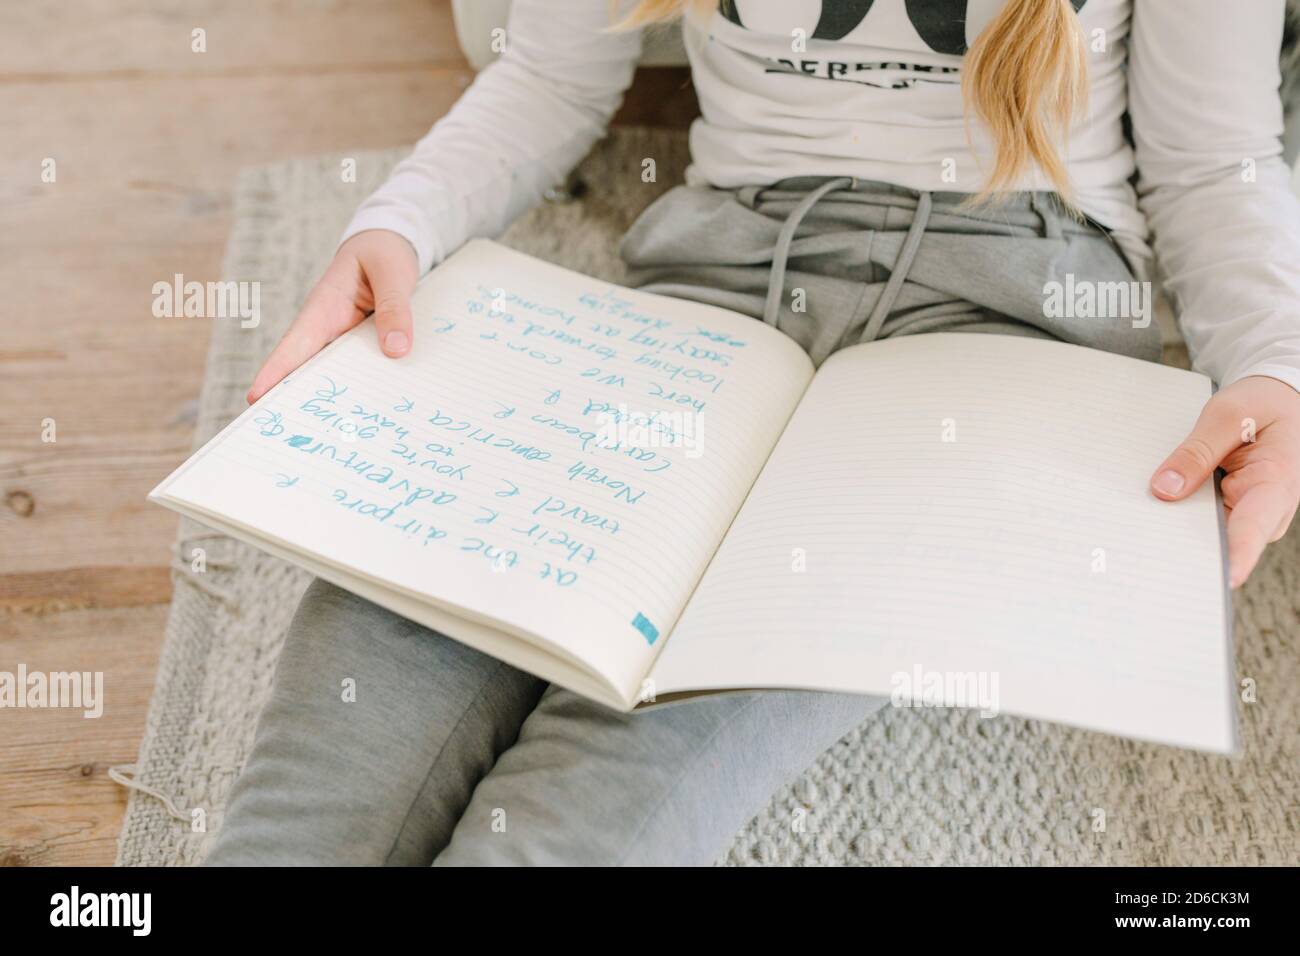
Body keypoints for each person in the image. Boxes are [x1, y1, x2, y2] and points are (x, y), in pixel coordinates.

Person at [209, 0, 1300, 866]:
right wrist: (399, 221)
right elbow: (547, 71)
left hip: (1009, 315)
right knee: (390, 653)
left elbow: (1212, 157)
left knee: (593, 806)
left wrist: (1274, 367)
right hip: (718, 279)